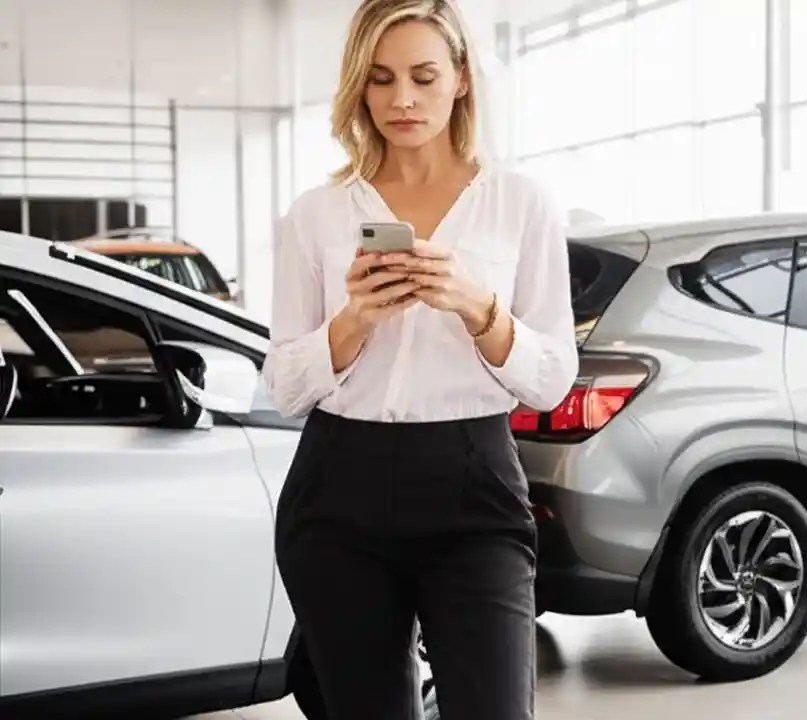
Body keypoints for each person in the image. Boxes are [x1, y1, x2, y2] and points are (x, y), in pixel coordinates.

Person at [262, 1, 578, 718]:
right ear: (357, 88)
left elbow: (554, 377)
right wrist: (354, 321)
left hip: (474, 486)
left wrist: (479, 306)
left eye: (423, 76)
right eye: (379, 79)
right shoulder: (317, 214)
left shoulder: (521, 203)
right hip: (338, 488)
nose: (400, 99)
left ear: (462, 79)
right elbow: (283, 385)